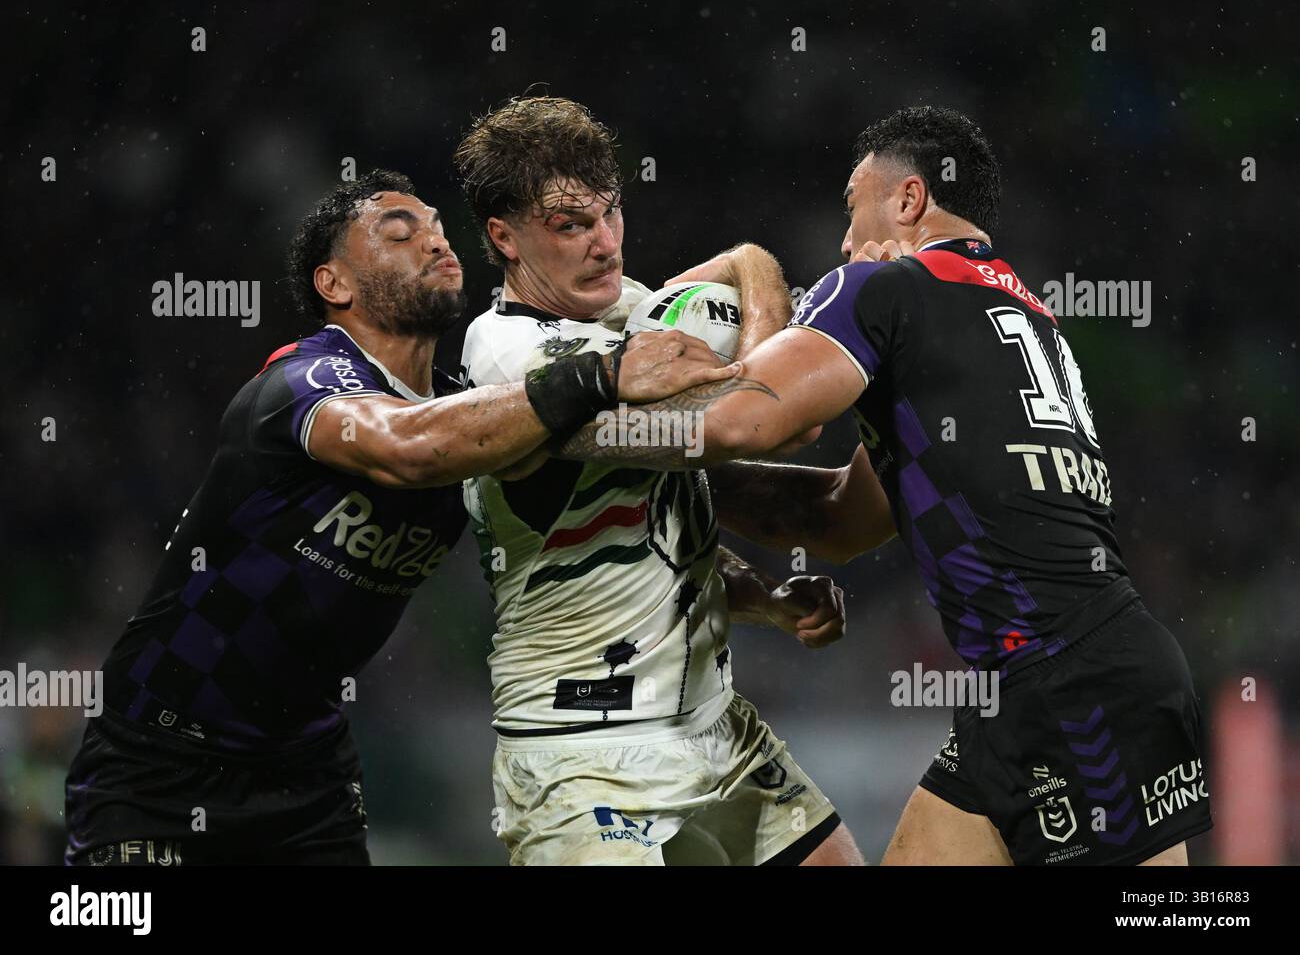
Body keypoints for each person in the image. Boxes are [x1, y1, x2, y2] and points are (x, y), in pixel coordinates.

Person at [558, 106, 1212, 866]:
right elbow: (838, 522)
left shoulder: (882, 286)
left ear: (906, 202)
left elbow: (751, 419)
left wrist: (562, 424)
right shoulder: (1022, 315)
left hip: (1069, 687)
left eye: (851, 205)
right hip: (1068, 678)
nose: (843, 239)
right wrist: (687, 488)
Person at [63, 169, 731, 865]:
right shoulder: (300, 384)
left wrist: (740, 585)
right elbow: (409, 447)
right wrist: (601, 373)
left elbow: (603, 511)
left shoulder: (483, 411)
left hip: (307, 775)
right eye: (400, 234)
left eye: (440, 232)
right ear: (335, 285)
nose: (437, 245)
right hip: (159, 760)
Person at [453, 96, 863, 866]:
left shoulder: (636, 310)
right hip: (581, 751)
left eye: (611, 214)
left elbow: (657, 525)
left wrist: (764, 601)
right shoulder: (507, 356)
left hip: (714, 727)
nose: (605, 245)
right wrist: (751, 266)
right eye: (571, 225)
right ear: (504, 238)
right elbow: (776, 415)